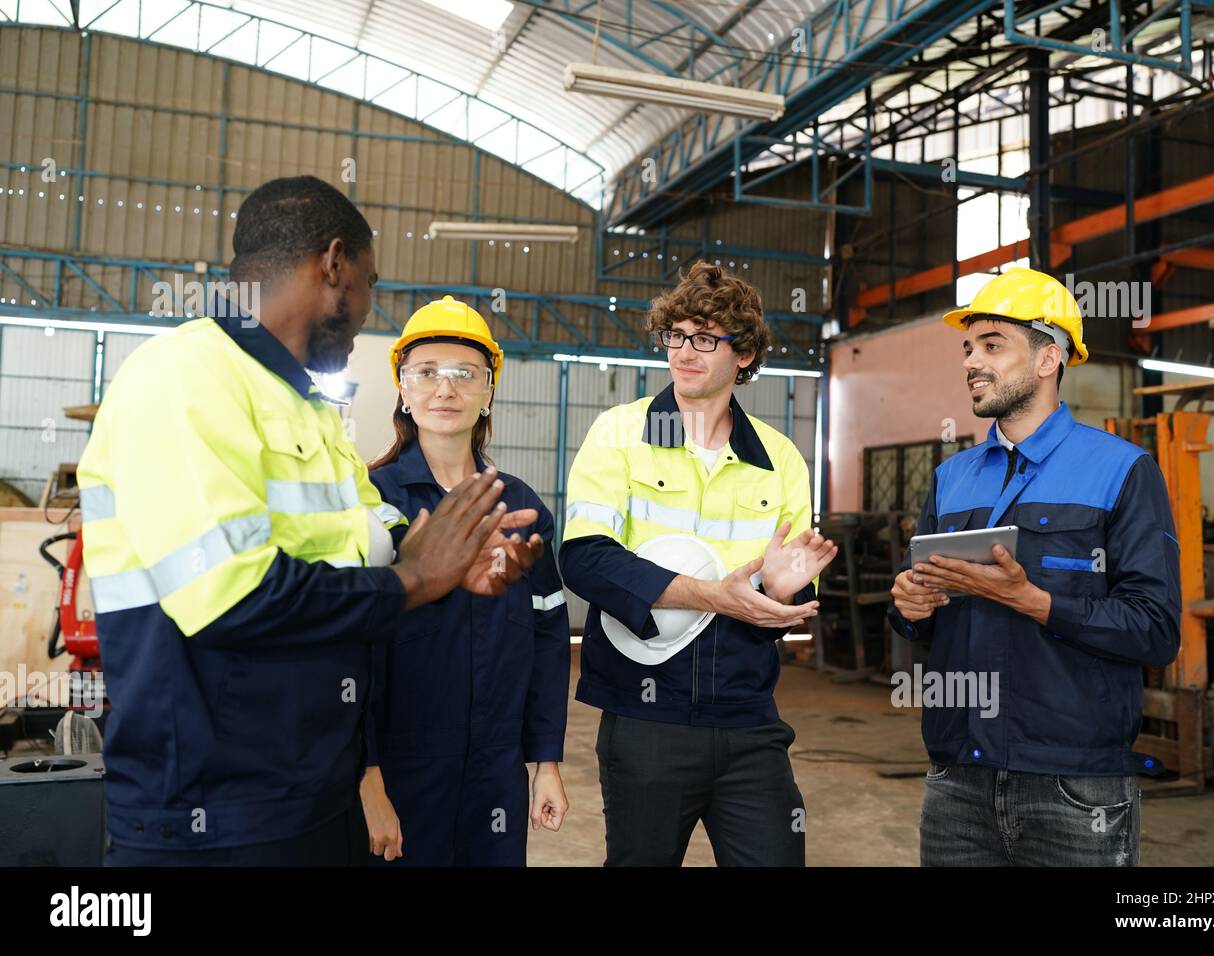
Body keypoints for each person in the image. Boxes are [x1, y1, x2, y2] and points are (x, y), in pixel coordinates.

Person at [77, 176, 542, 866]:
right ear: (332, 265)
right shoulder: (184, 377)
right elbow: (230, 594)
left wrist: (450, 560)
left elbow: (370, 540)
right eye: (368, 282)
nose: (366, 311)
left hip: (311, 795)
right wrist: (415, 580)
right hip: (213, 813)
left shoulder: (308, 411)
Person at [888, 267, 1182, 867]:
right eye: (969, 347)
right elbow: (921, 615)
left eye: (993, 345)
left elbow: (1155, 629)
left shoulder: (1122, 470)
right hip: (957, 779)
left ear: (1049, 357)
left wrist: (1034, 601)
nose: (973, 361)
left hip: (1074, 789)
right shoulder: (952, 478)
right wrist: (910, 609)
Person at [560, 261, 836, 867]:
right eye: (676, 335)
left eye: (706, 338)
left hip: (747, 717)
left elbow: (781, 590)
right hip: (644, 715)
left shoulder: (781, 459)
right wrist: (714, 594)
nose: (685, 351)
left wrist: (784, 591)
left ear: (745, 355)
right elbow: (585, 560)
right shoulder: (620, 433)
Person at [359, 296, 570, 866]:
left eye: (463, 374)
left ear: (488, 391)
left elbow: (550, 639)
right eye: (425, 373)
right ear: (402, 389)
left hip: (495, 769)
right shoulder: (373, 501)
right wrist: (367, 778)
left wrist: (544, 761)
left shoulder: (521, 508)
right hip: (402, 766)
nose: (444, 389)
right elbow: (348, 650)